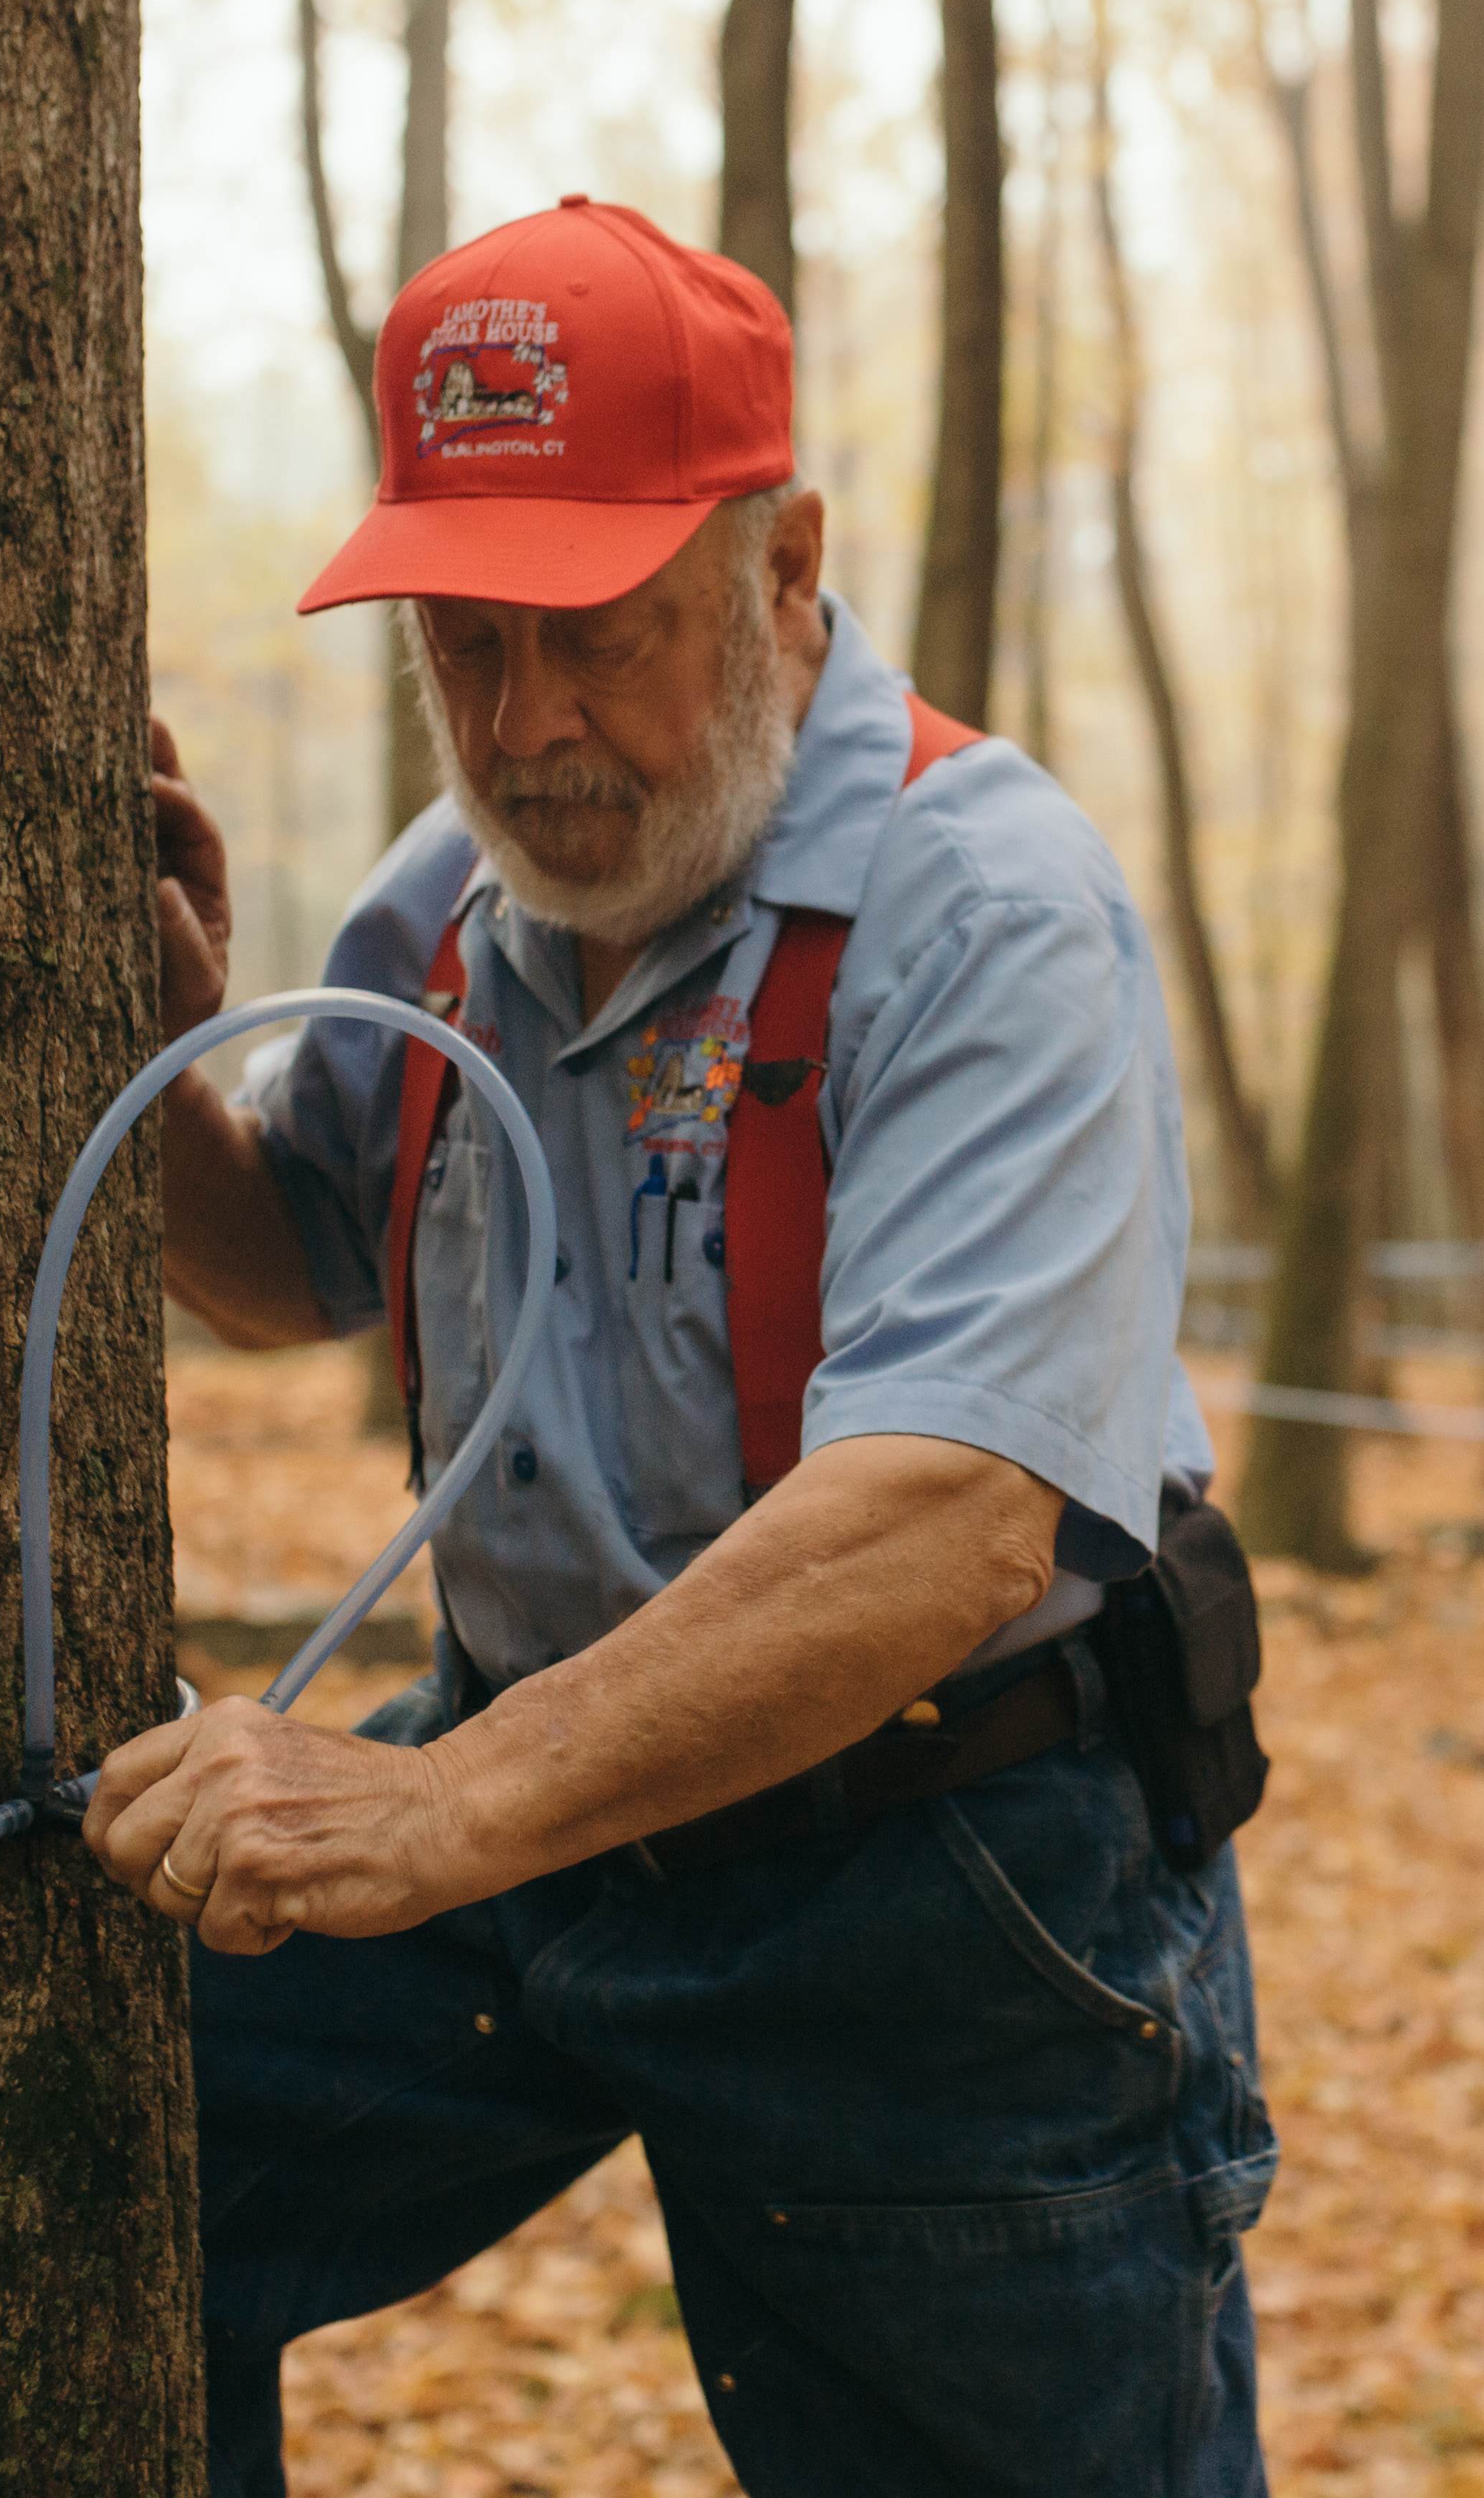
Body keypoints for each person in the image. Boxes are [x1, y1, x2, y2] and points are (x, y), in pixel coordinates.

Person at [82, 196, 1273, 2497]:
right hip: (540, 1831)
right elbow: (288, 1264)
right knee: (99, 2163)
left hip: (944, 1884)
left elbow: (943, 1524)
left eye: (601, 634)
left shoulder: (985, 910)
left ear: (784, 565)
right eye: (465, 644)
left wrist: (435, 1811)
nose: (527, 727)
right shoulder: (458, 905)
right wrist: (138, 1047)